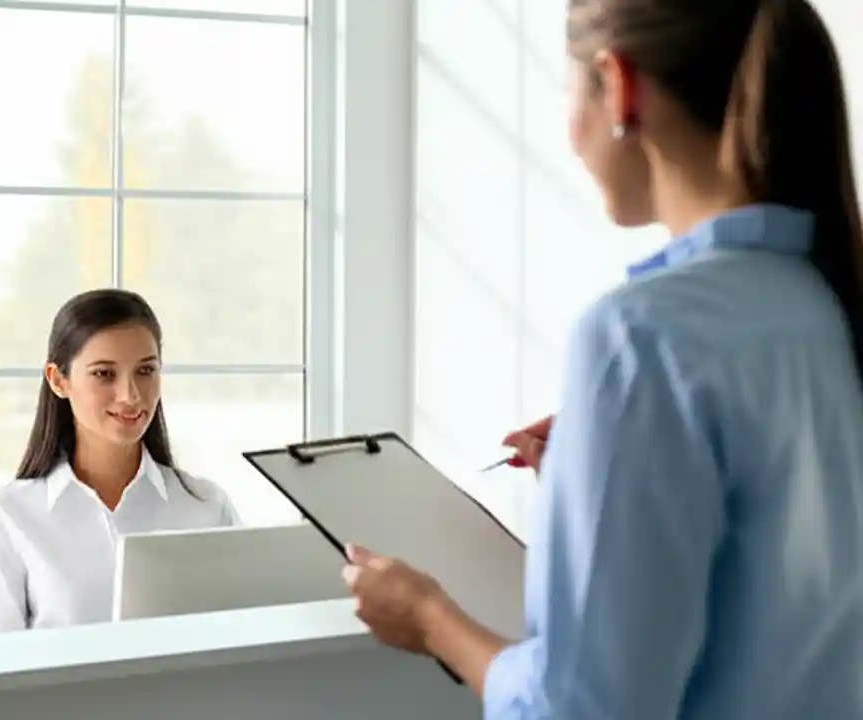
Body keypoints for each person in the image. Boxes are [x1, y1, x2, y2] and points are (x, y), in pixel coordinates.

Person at [343, 0, 863, 717]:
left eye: (566, 90)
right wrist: (611, 475)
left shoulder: (641, 335)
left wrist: (433, 621)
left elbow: (583, 708)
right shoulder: (823, 303)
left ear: (617, 85)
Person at [0, 289, 240, 633]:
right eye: (104, 374)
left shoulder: (207, 508)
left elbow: (240, 645)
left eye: (145, 370)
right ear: (59, 380)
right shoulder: (9, 515)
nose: (131, 395)